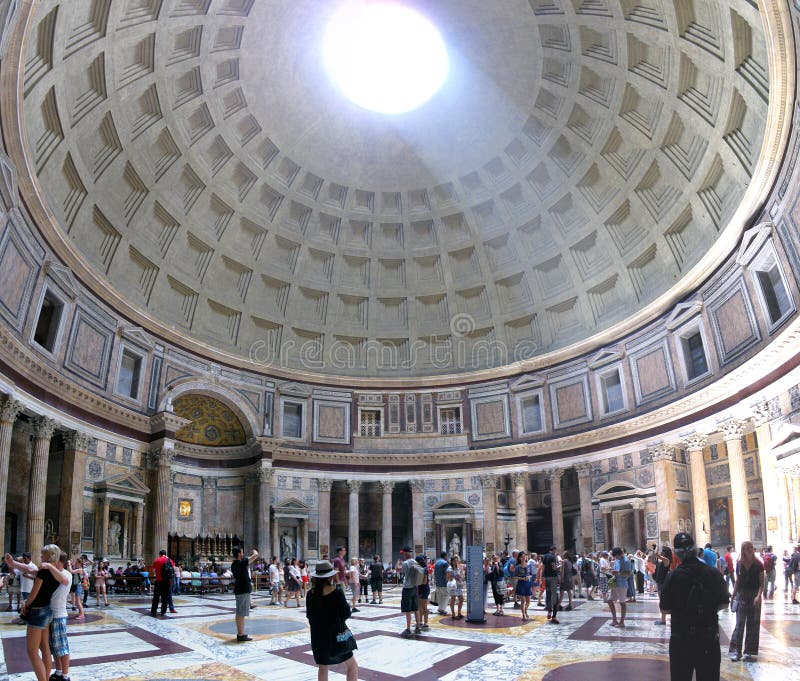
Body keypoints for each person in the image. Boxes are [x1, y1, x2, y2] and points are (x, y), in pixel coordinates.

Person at [660, 532, 730, 681]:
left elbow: (665, 609)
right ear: (695, 549)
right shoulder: (713, 573)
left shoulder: (672, 577)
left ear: (676, 554)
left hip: (681, 638)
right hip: (708, 636)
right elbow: (724, 602)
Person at [5, 545, 63, 681]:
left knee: (32, 651)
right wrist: (13, 563)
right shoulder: (55, 571)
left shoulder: (44, 572)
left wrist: (26, 603)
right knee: (45, 649)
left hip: (38, 612)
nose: (41, 557)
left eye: (43, 555)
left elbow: (33, 594)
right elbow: (30, 569)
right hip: (47, 610)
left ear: (49, 556)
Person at [306, 560, 358, 681]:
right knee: (352, 666)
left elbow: (310, 616)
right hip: (337, 636)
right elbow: (346, 614)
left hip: (318, 637)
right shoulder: (337, 592)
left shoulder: (310, 594)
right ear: (330, 576)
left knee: (323, 667)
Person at [729, 540, 764, 661]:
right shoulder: (739, 564)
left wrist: (758, 596)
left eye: (751, 547)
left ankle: (748, 651)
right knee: (739, 624)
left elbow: (761, 584)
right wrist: (733, 595)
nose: (749, 549)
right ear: (743, 550)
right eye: (747, 548)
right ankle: (737, 651)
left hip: (754, 595)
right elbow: (738, 581)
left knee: (752, 624)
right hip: (741, 595)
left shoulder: (759, 564)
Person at [44, 552, 72, 681]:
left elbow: (61, 579)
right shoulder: (56, 573)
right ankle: (59, 671)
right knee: (54, 646)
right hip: (52, 613)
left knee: (62, 646)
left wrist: (49, 567)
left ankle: (65, 675)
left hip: (59, 614)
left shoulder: (66, 574)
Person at [231, 546, 259, 641]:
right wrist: (254, 550)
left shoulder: (234, 564)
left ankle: (241, 633)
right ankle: (241, 634)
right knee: (241, 613)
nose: (243, 554)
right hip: (242, 590)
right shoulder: (241, 563)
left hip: (240, 589)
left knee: (240, 612)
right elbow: (255, 555)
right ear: (239, 554)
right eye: (242, 552)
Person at [399, 546, 422, 636]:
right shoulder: (415, 562)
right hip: (415, 588)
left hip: (407, 588)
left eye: (403, 553)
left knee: (407, 609)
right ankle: (418, 627)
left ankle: (408, 629)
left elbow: (400, 571)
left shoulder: (405, 563)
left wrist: (398, 564)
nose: (403, 555)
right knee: (415, 608)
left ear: (406, 553)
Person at [608, 546, 632, 628]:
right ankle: (614, 620)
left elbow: (628, 574)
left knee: (622, 603)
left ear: (619, 554)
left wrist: (617, 573)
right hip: (615, 583)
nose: (615, 558)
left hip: (622, 584)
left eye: (615, 556)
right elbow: (617, 570)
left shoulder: (626, 561)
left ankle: (622, 622)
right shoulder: (617, 560)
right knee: (610, 600)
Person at [149, 550, 173, 617]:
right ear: (165, 554)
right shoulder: (169, 560)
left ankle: (153, 611)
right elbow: (171, 571)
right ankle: (163, 611)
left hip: (159, 581)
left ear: (160, 554)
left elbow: (153, 570)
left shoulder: (157, 560)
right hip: (167, 581)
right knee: (165, 597)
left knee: (156, 597)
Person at [542, 545, 560, 624]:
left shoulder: (545, 556)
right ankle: (554, 616)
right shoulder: (553, 557)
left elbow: (543, 567)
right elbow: (554, 568)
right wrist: (559, 566)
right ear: (554, 550)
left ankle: (549, 611)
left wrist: (542, 576)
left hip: (546, 578)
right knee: (555, 596)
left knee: (548, 594)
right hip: (553, 578)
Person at [515, 551, 532, 621]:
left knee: (528, 601)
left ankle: (525, 610)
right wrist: (522, 578)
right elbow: (515, 577)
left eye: (524, 556)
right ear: (519, 558)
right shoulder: (517, 567)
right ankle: (523, 615)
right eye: (522, 556)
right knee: (523, 600)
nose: (524, 557)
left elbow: (531, 574)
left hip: (527, 583)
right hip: (521, 584)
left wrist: (528, 577)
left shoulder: (529, 565)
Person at [447, 555, 465, 620]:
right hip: (453, 586)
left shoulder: (458, 568)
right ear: (452, 562)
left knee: (461, 599)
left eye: (457, 561)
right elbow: (448, 578)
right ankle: (453, 614)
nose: (456, 562)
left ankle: (459, 613)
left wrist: (460, 577)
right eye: (454, 561)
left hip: (458, 585)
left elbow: (460, 575)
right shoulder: (449, 568)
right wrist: (455, 577)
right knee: (453, 599)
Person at [416, 554, 430, 631]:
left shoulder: (425, 569)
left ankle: (426, 622)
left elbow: (424, 582)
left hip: (424, 589)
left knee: (424, 607)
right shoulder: (419, 569)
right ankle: (420, 621)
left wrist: (417, 582)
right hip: (419, 589)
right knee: (419, 607)